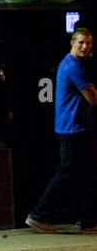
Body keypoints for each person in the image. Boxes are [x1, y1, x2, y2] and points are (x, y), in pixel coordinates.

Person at [27, 28, 97, 234]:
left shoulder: (71, 65)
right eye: (81, 42)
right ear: (72, 43)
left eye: (89, 43)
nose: (85, 47)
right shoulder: (74, 67)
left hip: (75, 128)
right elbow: (92, 99)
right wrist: (92, 88)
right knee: (67, 173)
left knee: (83, 175)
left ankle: (88, 222)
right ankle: (39, 214)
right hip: (72, 129)